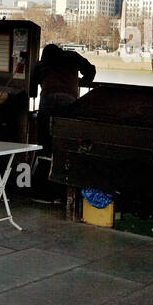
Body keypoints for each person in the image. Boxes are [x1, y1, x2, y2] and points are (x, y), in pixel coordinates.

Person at [30, 44, 96, 201]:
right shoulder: (71, 57)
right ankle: (63, 192)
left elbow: (32, 88)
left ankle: (41, 190)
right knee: (66, 145)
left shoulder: (42, 64)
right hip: (69, 102)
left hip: (47, 100)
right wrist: (81, 83)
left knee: (45, 144)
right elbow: (91, 69)